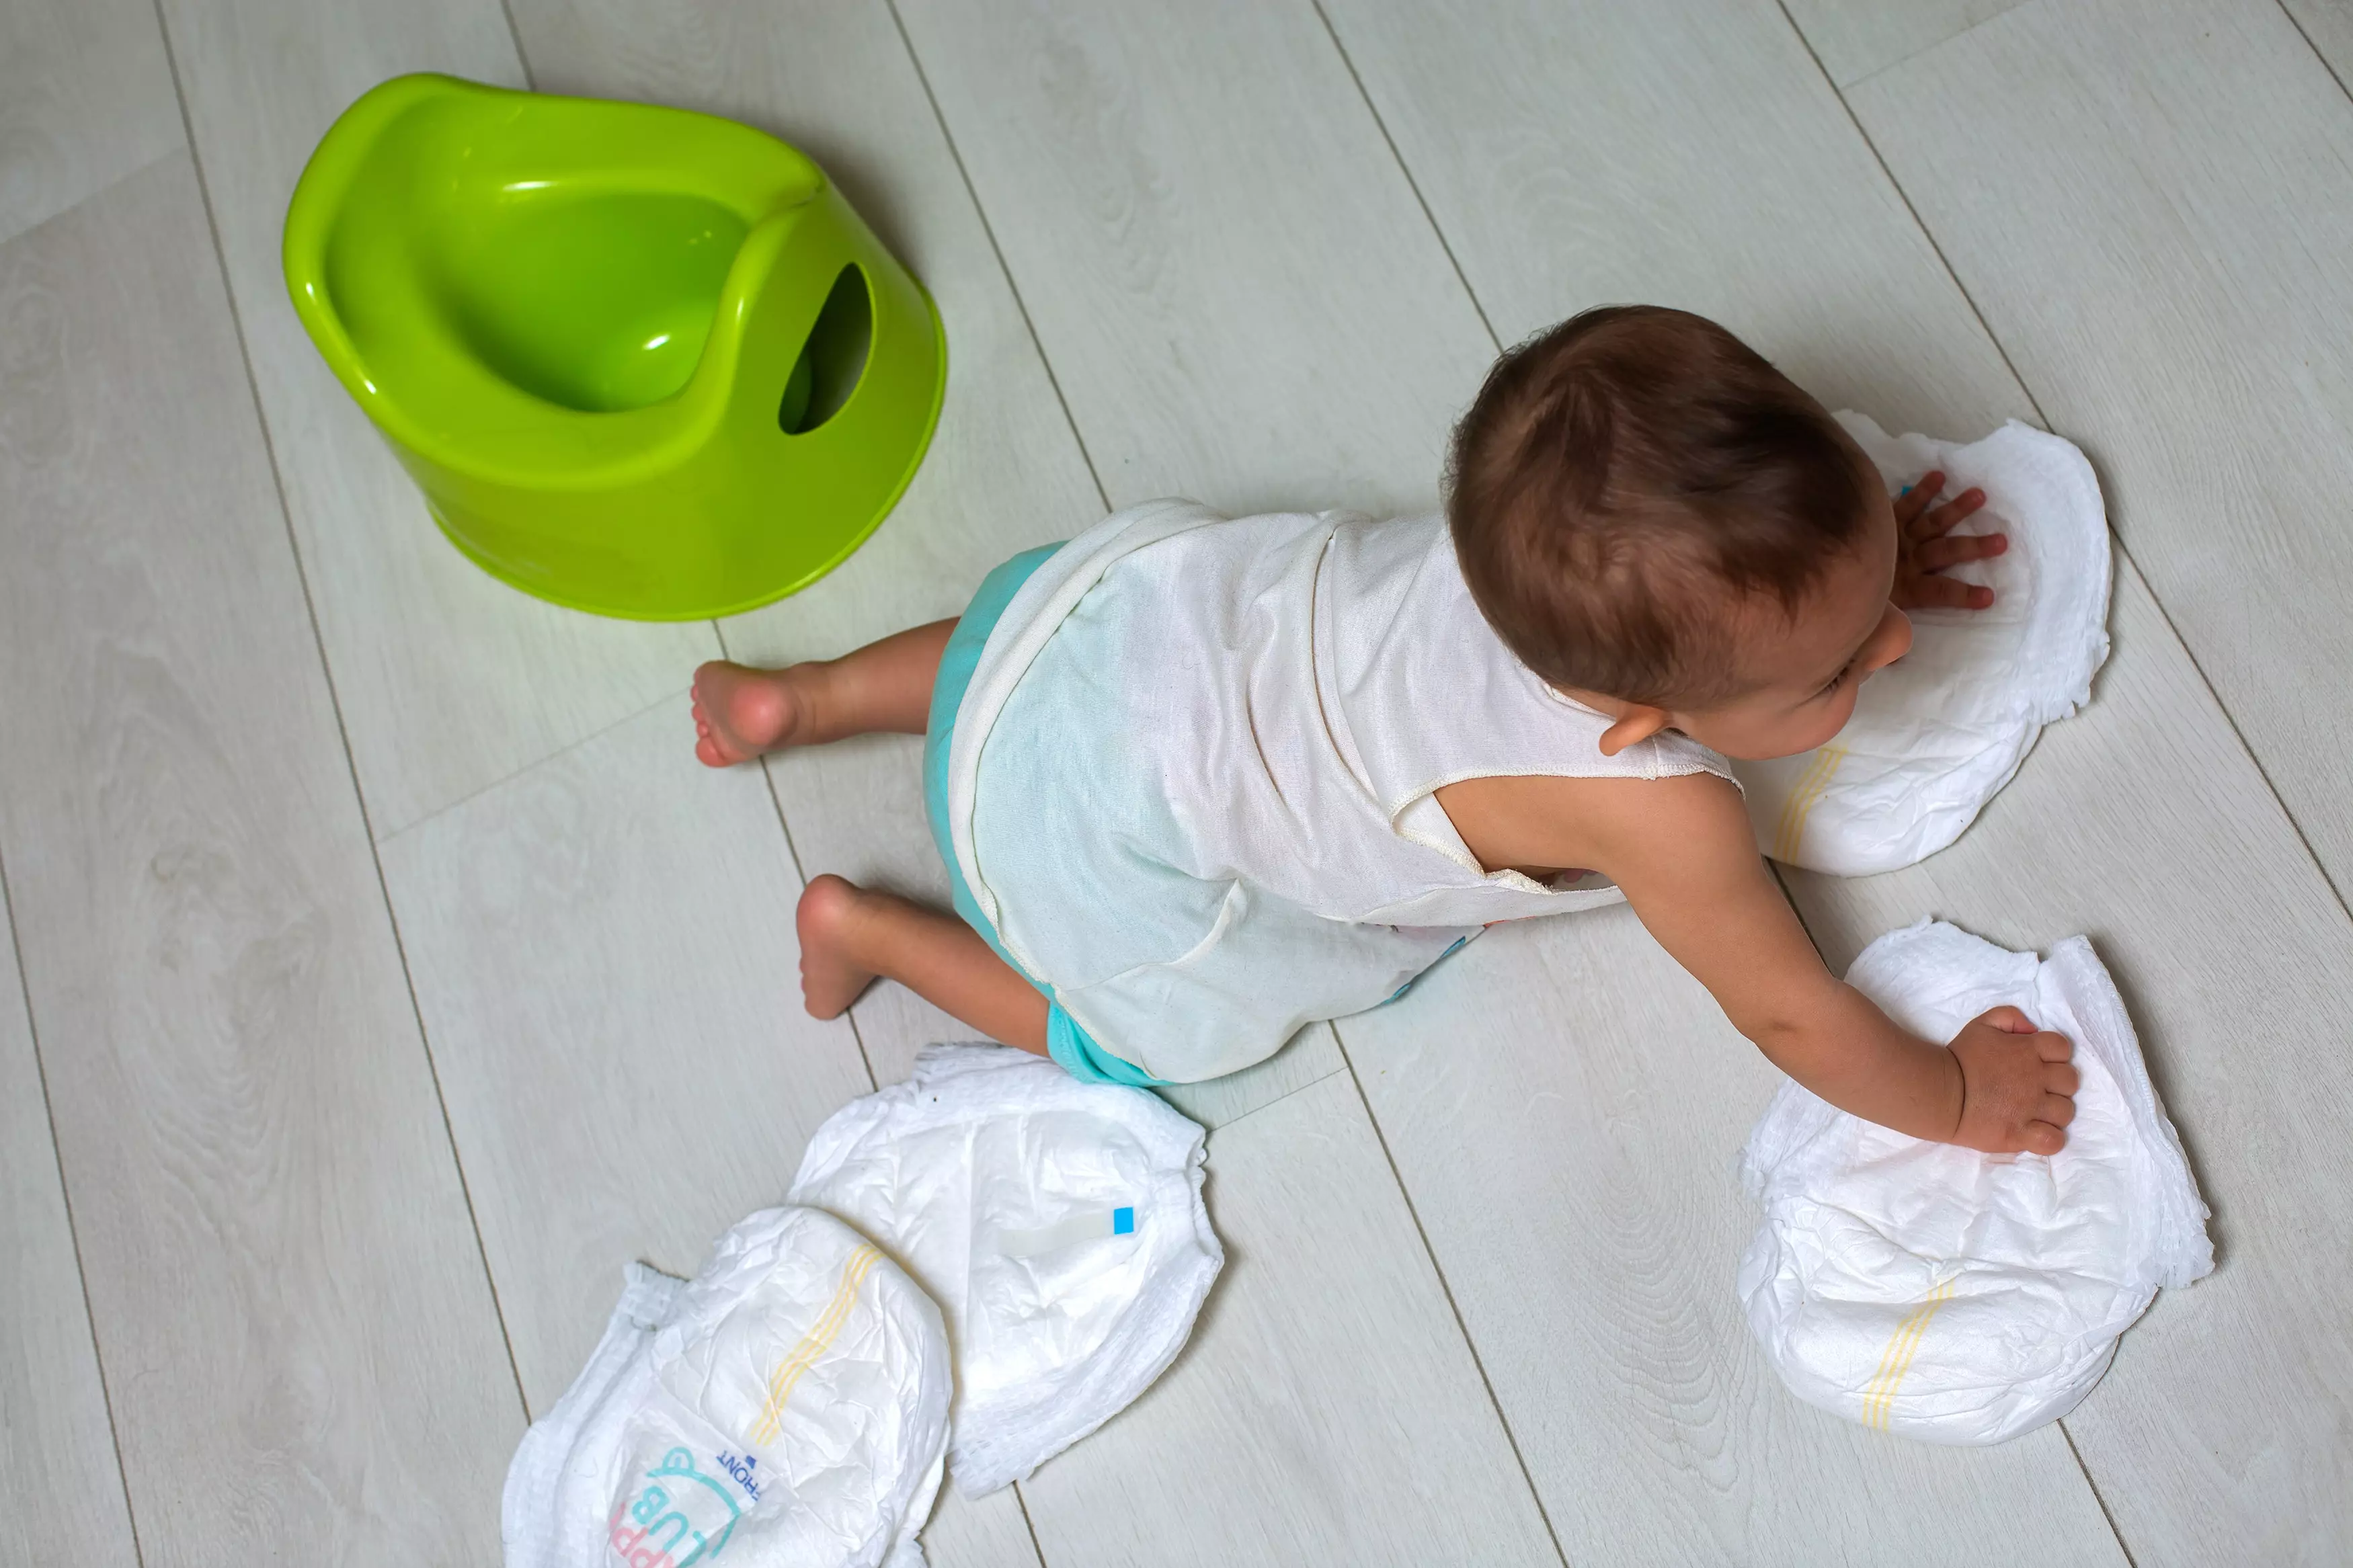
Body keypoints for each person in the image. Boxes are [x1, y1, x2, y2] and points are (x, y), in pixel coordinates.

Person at [692, 306, 2077, 1155]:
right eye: (1839, 664)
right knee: (1131, 1044)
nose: (1895, 645)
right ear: (1649, 723)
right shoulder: (1668, 810)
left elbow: (1725, 550)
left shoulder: (1543, 546)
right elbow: (1788, 1008)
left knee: (1016, 653)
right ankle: (869, 929)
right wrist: (1953, 1096)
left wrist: (1856, 559)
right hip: (1089, 846)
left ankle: (799, 698)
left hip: (1111, 628)